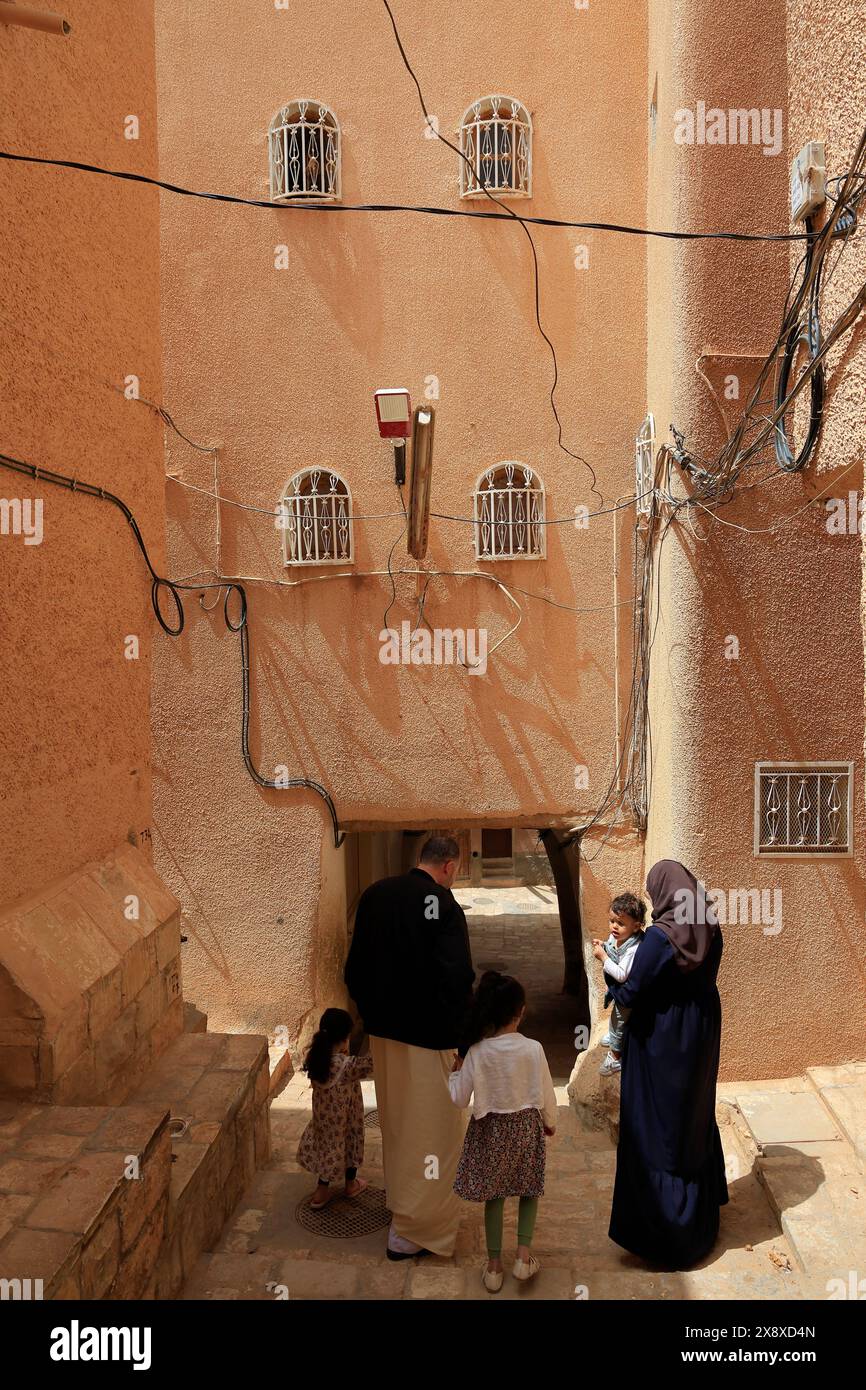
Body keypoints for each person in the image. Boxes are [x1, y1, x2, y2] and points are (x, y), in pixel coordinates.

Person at [344, 835, 475, 1261]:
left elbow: (355, 968)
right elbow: (458, 978)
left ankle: (403, 1206)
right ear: (450, 866)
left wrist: (373, 1014)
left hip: (385, 1036)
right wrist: (463, 1041)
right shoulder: (444, 906)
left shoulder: (376, 895)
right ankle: (416, 1230)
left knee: (400, 1124)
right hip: (430, 1037)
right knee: (432, 1131)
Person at [606, 860, 729, 1269]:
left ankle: (665, 1235)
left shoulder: (660, 938)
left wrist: (609, 974)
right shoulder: (709, 924)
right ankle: (699, 1220)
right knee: (691, 1114)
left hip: (660, 1040)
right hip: (700, 1031)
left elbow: (632, 991)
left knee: (655, 1126)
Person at [448, 972, 557, 1292]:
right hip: (526, 1129)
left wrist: (455, 1073)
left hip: (490, 1134)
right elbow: (547, 1093)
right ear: (520, 1011)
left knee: (494, 1196)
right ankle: (523, 1258)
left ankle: (494, 1266)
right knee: (528, 1190)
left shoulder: (477, 1052)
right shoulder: (534, 1049)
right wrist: (550, 1122)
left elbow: (458, 1099)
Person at [296, 1007, 373, 1209]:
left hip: (324, 1122)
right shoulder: (345, 1066)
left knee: (328, 1150)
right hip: (347, 1120)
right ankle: (350, 1184)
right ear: (345, 1038)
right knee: (350, 1144)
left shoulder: (314, 1058)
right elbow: (370, 1064)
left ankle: (322, 1191)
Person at [592, 892, 646, 1076]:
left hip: (628, 993)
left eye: (621, 923)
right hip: (619, 992)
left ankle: (615, 1058)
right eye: (612, 921)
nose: (614, 927)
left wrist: (603, 957)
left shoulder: (633, 947)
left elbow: (622, 975)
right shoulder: (616, 936)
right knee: (615, 1018)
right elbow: (611, 946)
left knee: (618, 1021)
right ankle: (616, 1037)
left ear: (637, 926)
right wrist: (604, 945)